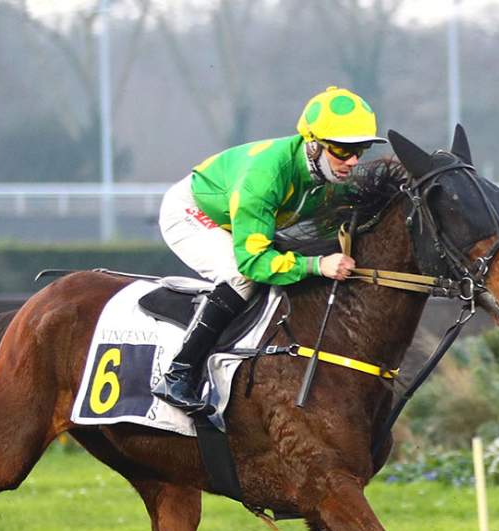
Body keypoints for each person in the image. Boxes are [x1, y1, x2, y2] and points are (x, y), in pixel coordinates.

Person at [152, 86, 387, 411]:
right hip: (191, 212)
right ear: (314, 144)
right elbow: (252, 262)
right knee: (240, 275)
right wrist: (317, 265)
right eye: (343, 151)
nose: (353, 161)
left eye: (359, 150)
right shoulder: (266, 175)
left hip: (240, 219)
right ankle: (179, 372)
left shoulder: (327, 175)